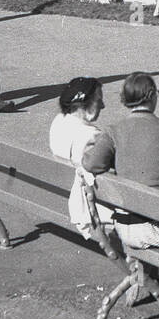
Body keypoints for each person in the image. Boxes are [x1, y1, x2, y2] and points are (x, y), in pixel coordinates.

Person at [83, 73, 159, 250]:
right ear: (152, 95)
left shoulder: (113, 131)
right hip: (157, 228)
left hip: (125, 226)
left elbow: (92, 164)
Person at [49, 76, 106, 237]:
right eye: (98, 100)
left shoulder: (58, 121)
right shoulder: (92, 135)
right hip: (87, 201)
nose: (103, 105)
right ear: (83, 104)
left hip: (60, 188)